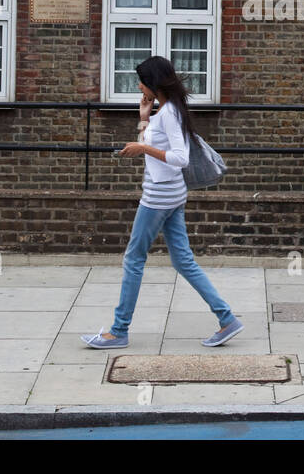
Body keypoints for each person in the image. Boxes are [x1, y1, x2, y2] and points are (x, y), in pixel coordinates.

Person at [81, 55, 244, 349]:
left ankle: (118, 331)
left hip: (158, 197)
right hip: (172, 194)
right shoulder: (170, 110)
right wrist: (144, 119)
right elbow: (159, 147)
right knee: (183, 260)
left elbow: (179, 157)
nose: (138, 86)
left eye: (141, 82)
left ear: (153, 83)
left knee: (133, 259)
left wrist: (141, 145)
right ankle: (227, 318)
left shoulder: (170, 113)